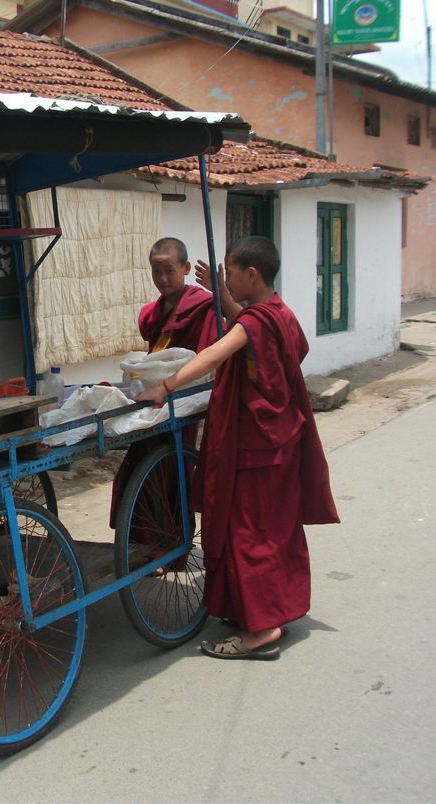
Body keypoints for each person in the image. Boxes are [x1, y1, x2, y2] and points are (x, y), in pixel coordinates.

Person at [137, 236, 339, 660]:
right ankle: (269, 610)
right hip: (281, 439)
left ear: (252, 274)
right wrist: (224, 297)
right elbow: (251, 328)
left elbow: (215, 353)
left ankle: (260, 633)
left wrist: (165, 387)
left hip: (257, 448)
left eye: (231, 272)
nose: (226, 278)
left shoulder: (258, 321)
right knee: (275, 531)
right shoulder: (280, 313)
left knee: (250, 534)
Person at [109, 237, 220, 532]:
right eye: (156, 271)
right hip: (153, 396)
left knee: (172, 470)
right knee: (139, 466)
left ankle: (170, 543)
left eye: (169, 270)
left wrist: (220, 292)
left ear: (185, 268)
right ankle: (142, 541)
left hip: (182, 397)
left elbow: (210, 354)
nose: (162, 279)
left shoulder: (203, 305)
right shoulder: (153, 312)